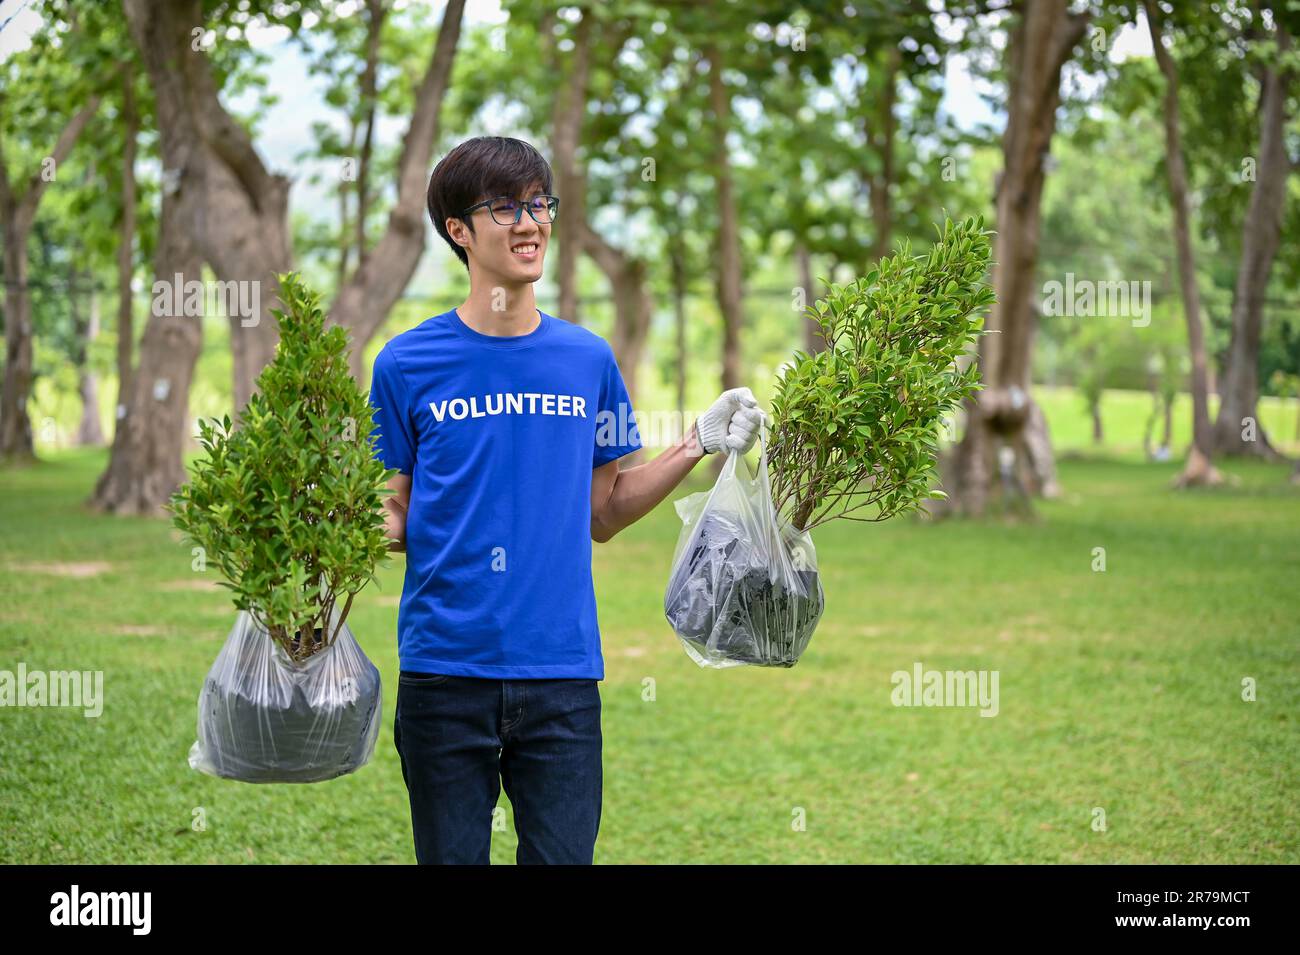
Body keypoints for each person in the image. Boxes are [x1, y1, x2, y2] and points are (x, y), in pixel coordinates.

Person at [368, 136, 764, 864]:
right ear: (458, 230)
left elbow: (604, 513)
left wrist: (698, 440)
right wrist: (349, 524)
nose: (530, 222)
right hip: (444, 673)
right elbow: (394, 509)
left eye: (539, 203)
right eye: (505, 208)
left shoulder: (586, 360)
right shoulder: (405, 364)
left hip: (561, 672)